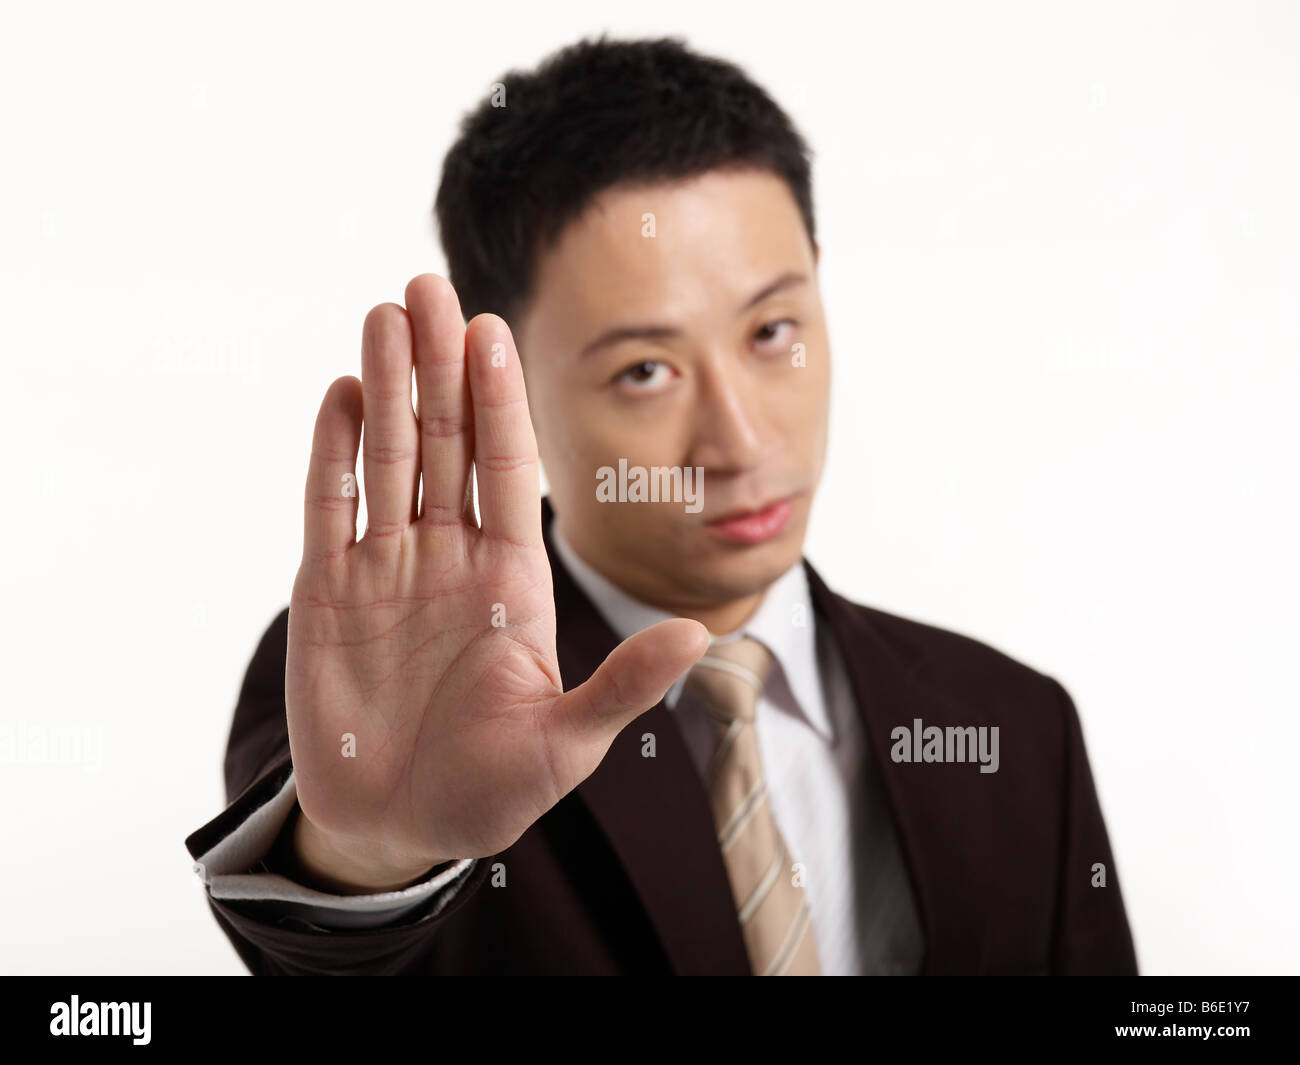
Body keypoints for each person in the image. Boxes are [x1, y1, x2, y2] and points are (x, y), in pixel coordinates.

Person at [185, 35, 1138, 975]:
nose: (743, 442)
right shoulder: (399, 683)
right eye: (645, 370)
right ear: (498, 385)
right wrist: (373, 856)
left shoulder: (1014, 724)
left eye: (772, 329)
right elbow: (337, 935)